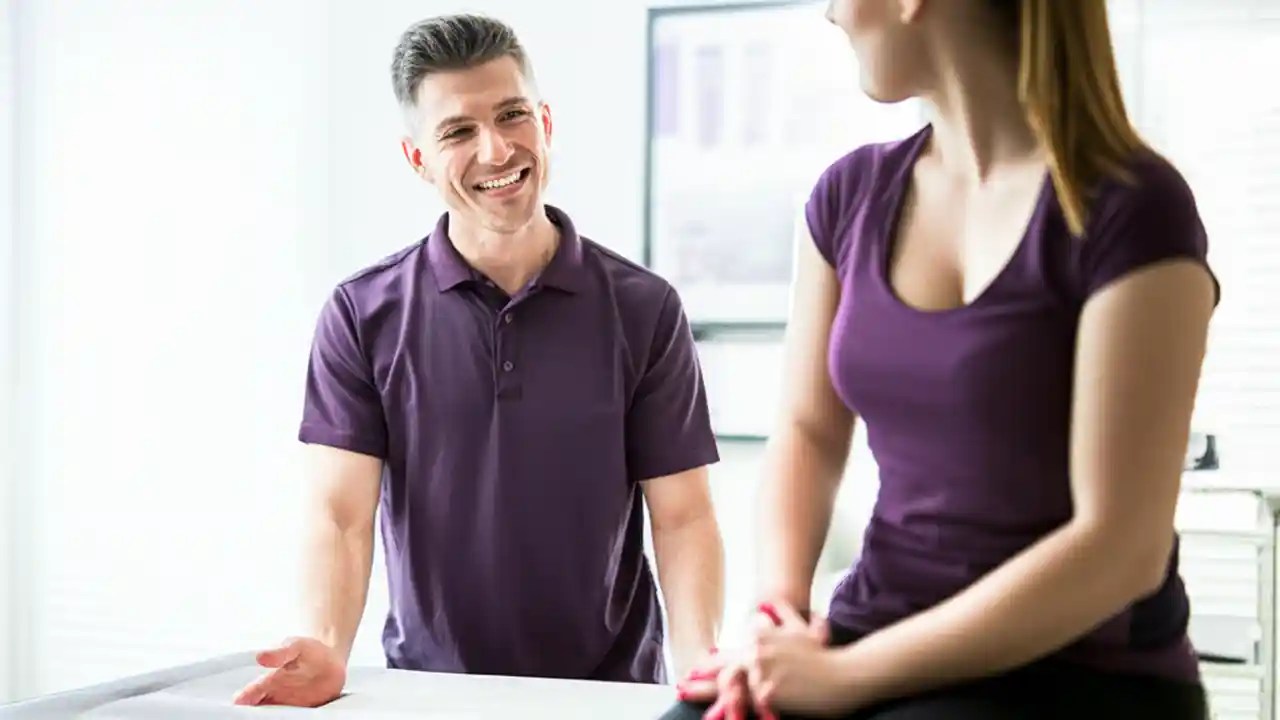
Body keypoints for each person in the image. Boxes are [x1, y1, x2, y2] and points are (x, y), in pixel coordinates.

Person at [667, 0, 1218, 718]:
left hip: (1073, 669)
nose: (831, 13)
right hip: (871, 633)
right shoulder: (849, 197)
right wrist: (777, 617)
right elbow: (808, 429)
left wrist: (845, 678)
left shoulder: (1132, 208)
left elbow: (1120, 548)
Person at [231, 13, 725, 708]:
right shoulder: (362, 314)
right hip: (429, 696)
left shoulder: (644, 308)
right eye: (458, 131)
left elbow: (683, 517)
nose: (496, 150)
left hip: (607, 697)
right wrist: (324, 643)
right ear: (418, 159)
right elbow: (341, 516)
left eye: (512, 115)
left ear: (545, 123)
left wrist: (700, 668)